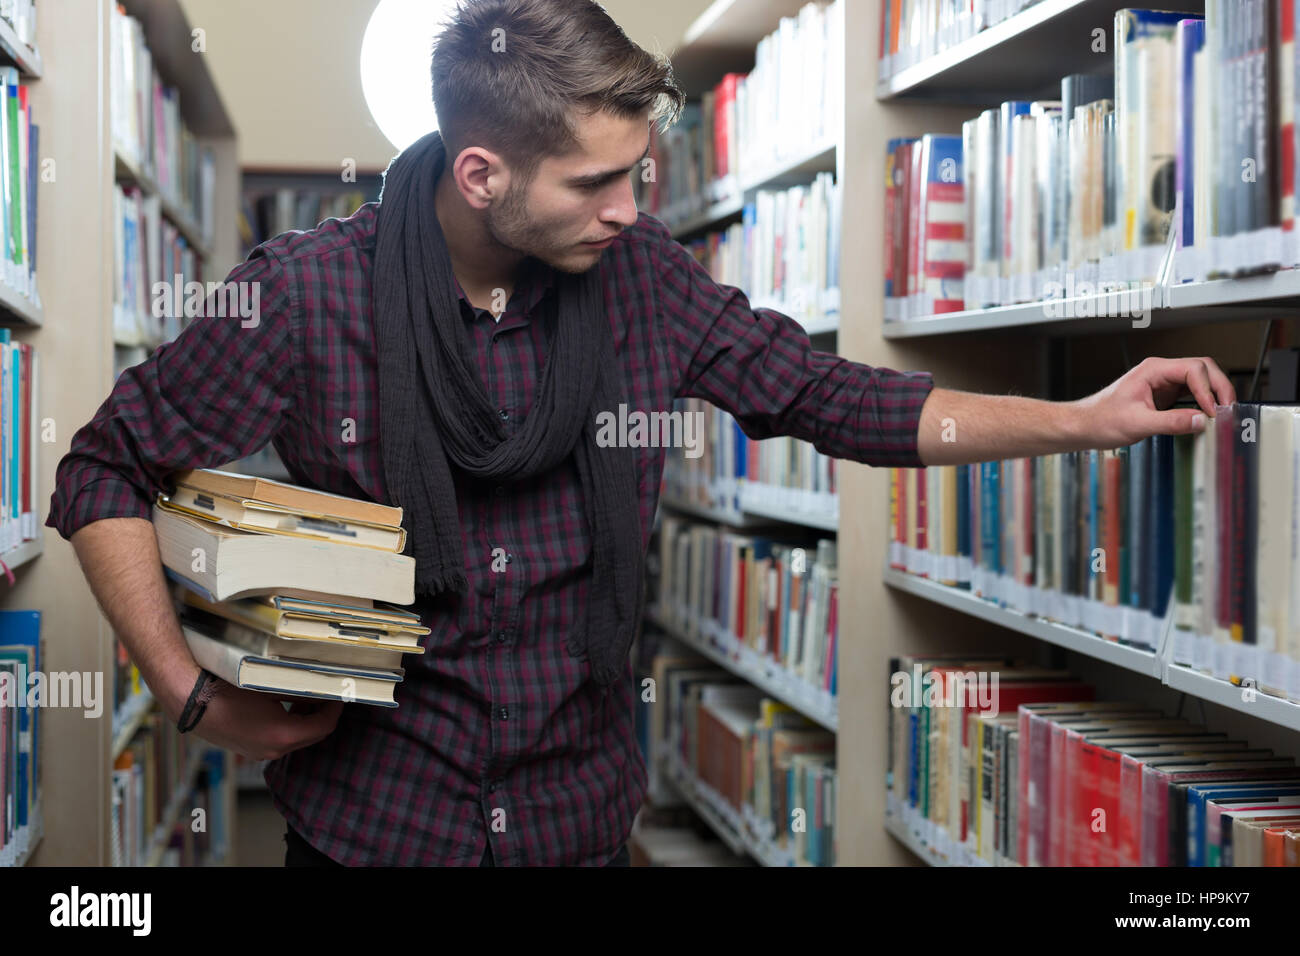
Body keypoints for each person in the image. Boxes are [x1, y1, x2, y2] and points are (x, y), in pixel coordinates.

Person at [46, 0, 1235, 867]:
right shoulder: (307, 295)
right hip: (376, 824)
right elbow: (103, 468)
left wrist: (1082, 418)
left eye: (642, 171)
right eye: (596, 184)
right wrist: (184, 685)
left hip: (580, 819)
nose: (633, 209)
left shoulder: (643, 278)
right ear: (481, 174)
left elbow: (835, 398)